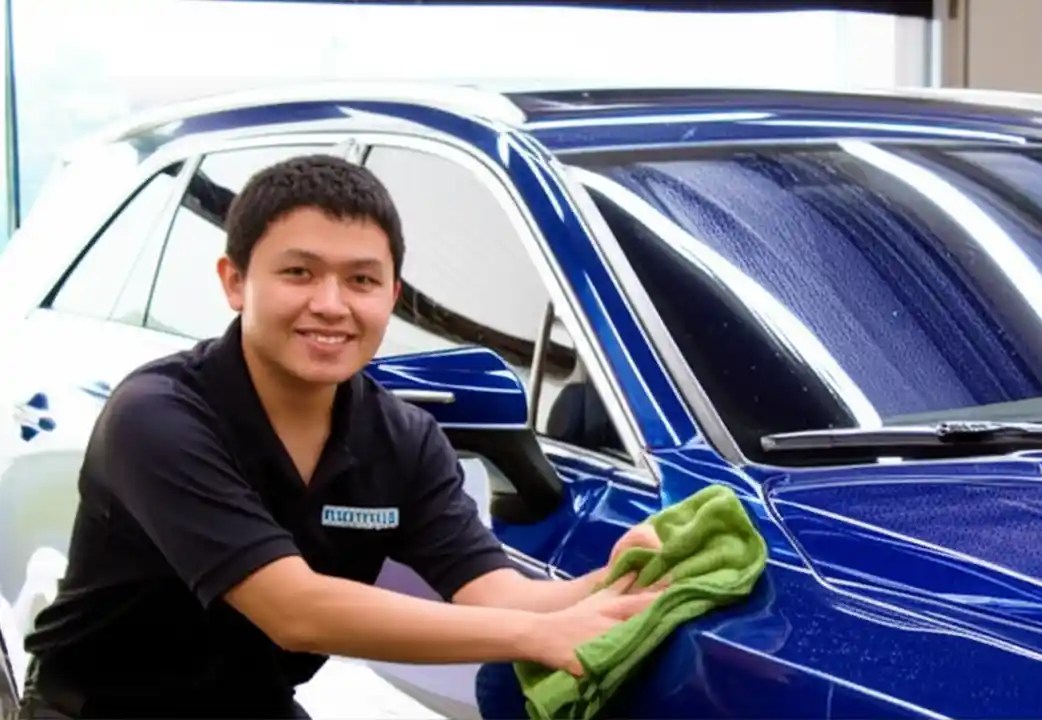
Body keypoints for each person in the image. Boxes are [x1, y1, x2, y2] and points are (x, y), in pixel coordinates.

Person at [18, 155, 663, 719]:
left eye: (361, 280)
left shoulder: (402, 437)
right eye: (299, 272)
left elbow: (496, 593)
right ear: (235, 281)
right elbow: (294, 611)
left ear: (392, 294)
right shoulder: (157, 415)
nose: (332, 304)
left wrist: (600, 587)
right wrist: (531, 638)